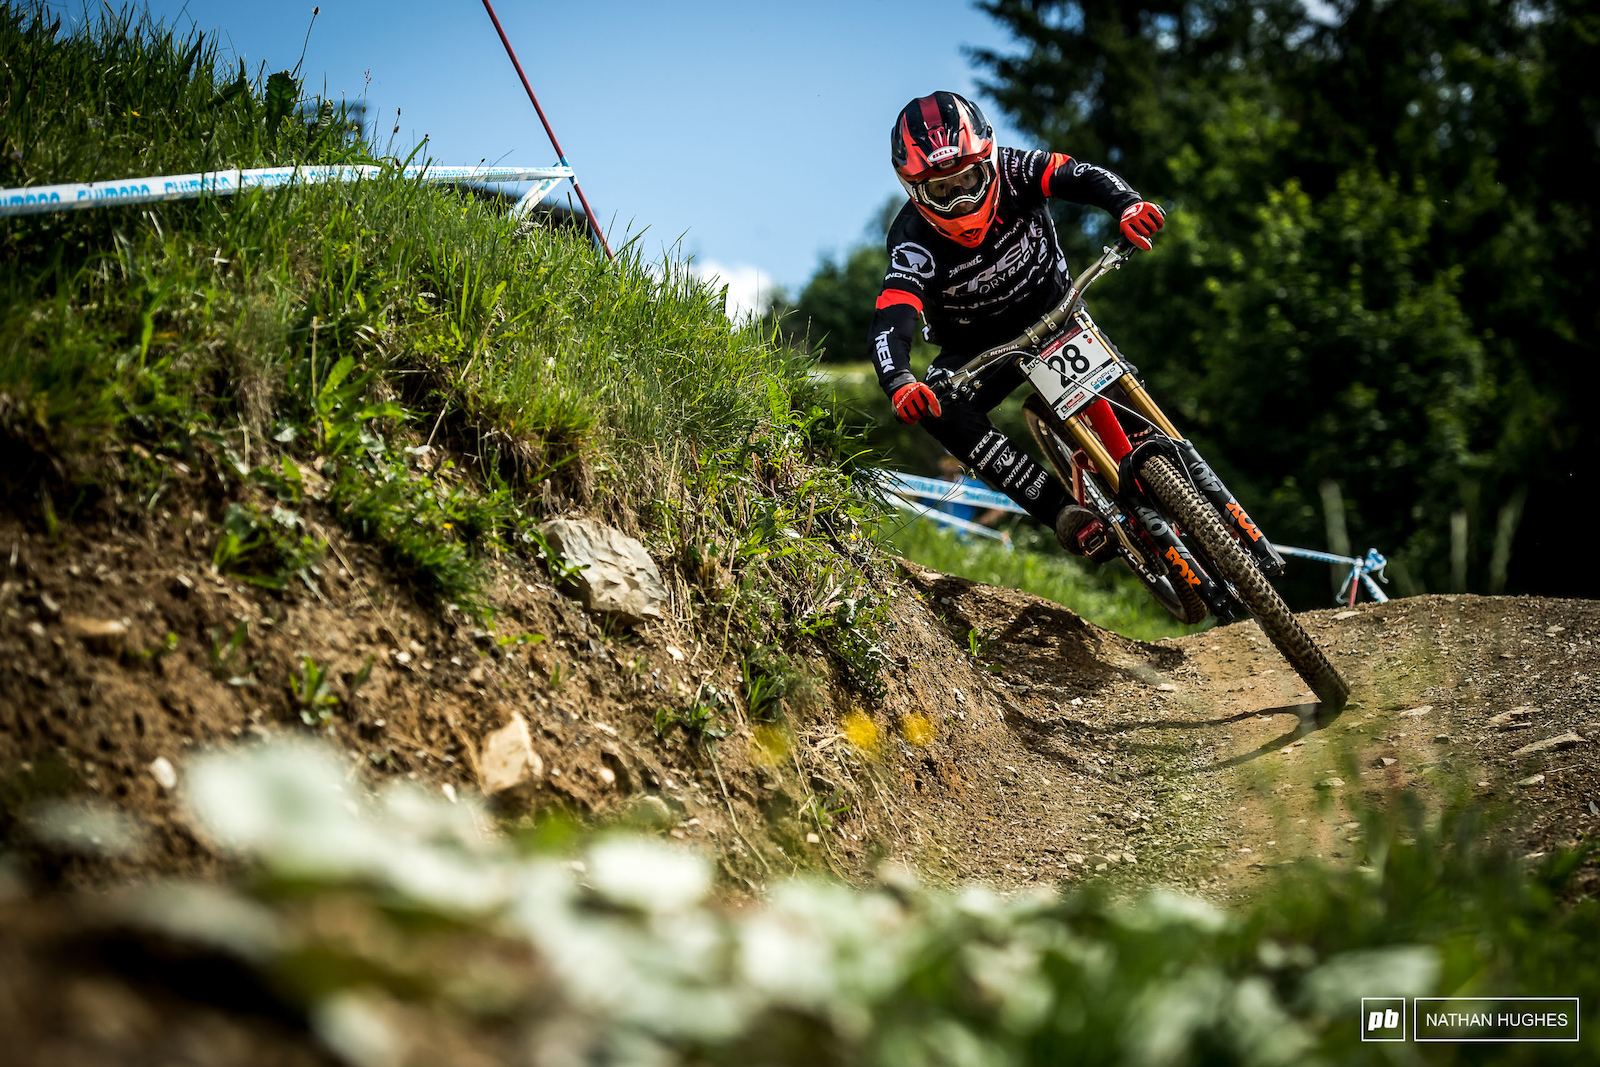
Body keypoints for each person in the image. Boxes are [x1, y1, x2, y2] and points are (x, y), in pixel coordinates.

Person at [870, 91, 1165, 558]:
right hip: (980, 350)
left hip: (1054, 309)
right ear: (913, 191)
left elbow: (1080, 175)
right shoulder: (911, 241)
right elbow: (892, 318)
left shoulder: (1017, 168)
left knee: (1132, 408)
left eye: (968, 179)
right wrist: (900, 381)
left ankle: (1165, 459)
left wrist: (1127, 205)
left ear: (989, 161)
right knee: (939, 408)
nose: (961, 200)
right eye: (941, 191)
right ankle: (1062, 512)